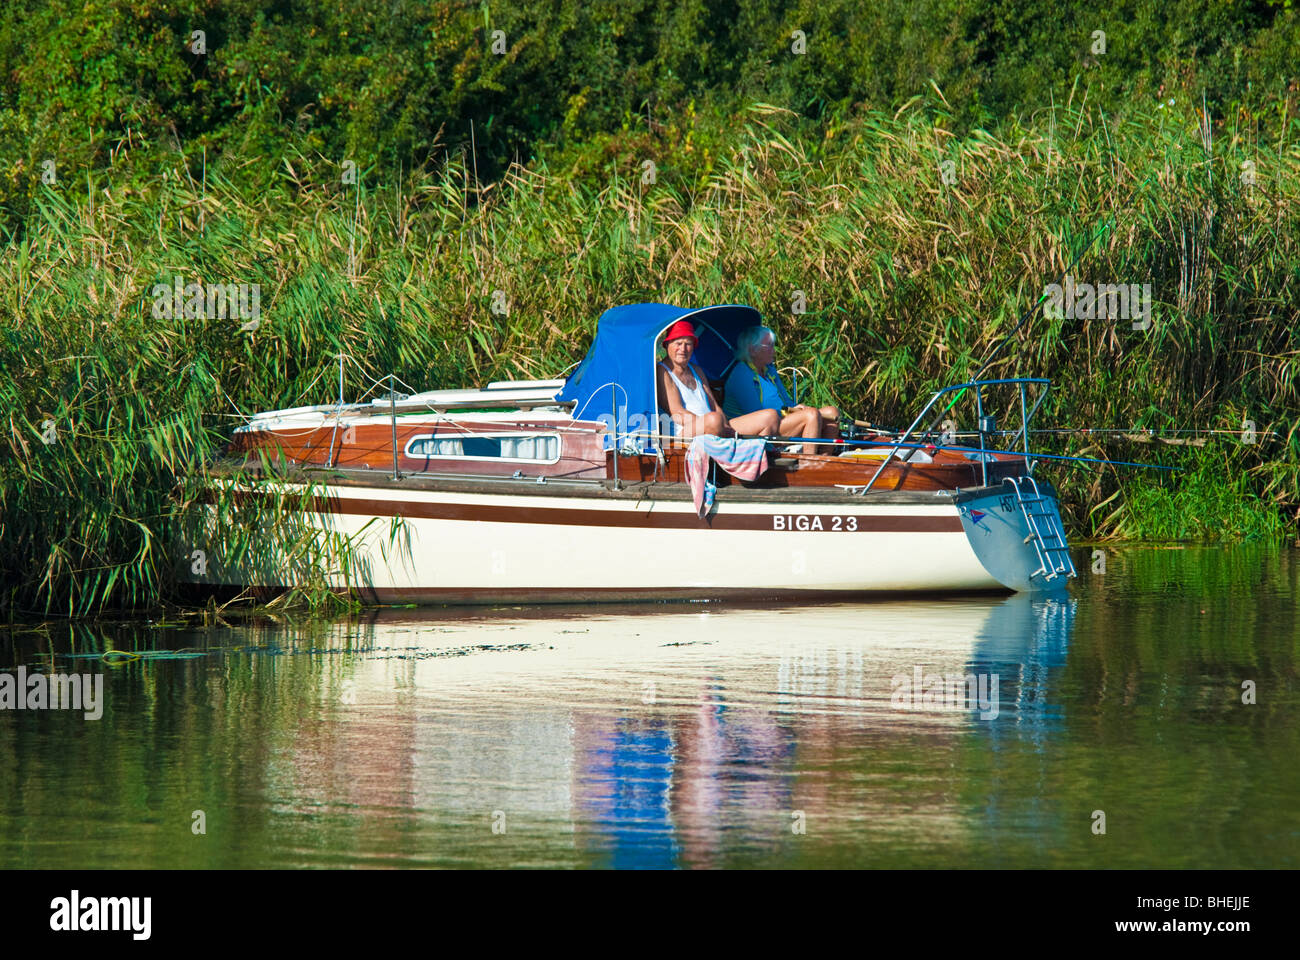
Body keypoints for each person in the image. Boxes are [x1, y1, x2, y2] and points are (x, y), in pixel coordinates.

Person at [656, 320, 778, 444]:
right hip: (684, 433)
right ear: (667, 345)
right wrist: (714, 425)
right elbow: (677, 413)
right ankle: (733, 448)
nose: (683, 349)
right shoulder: (663, 371)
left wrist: (725, 426)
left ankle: (756, 453)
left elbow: (714, 406)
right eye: (678, 343)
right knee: (714, 419)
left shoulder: (696, 370)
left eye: (688, 344)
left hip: (714, 425)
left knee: (770, 416)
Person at [723, 326, 839, 454]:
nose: (774, 350)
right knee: (811, 414)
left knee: (832, 412)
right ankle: (809, 462)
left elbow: (786, 402)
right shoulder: (741, 374)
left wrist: (796, 409)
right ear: (752, 350)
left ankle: (824, 459)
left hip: (779, 421)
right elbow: (756, 413)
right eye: (769, 346)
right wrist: (791, 413)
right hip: (760, 428)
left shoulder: (769, 371)